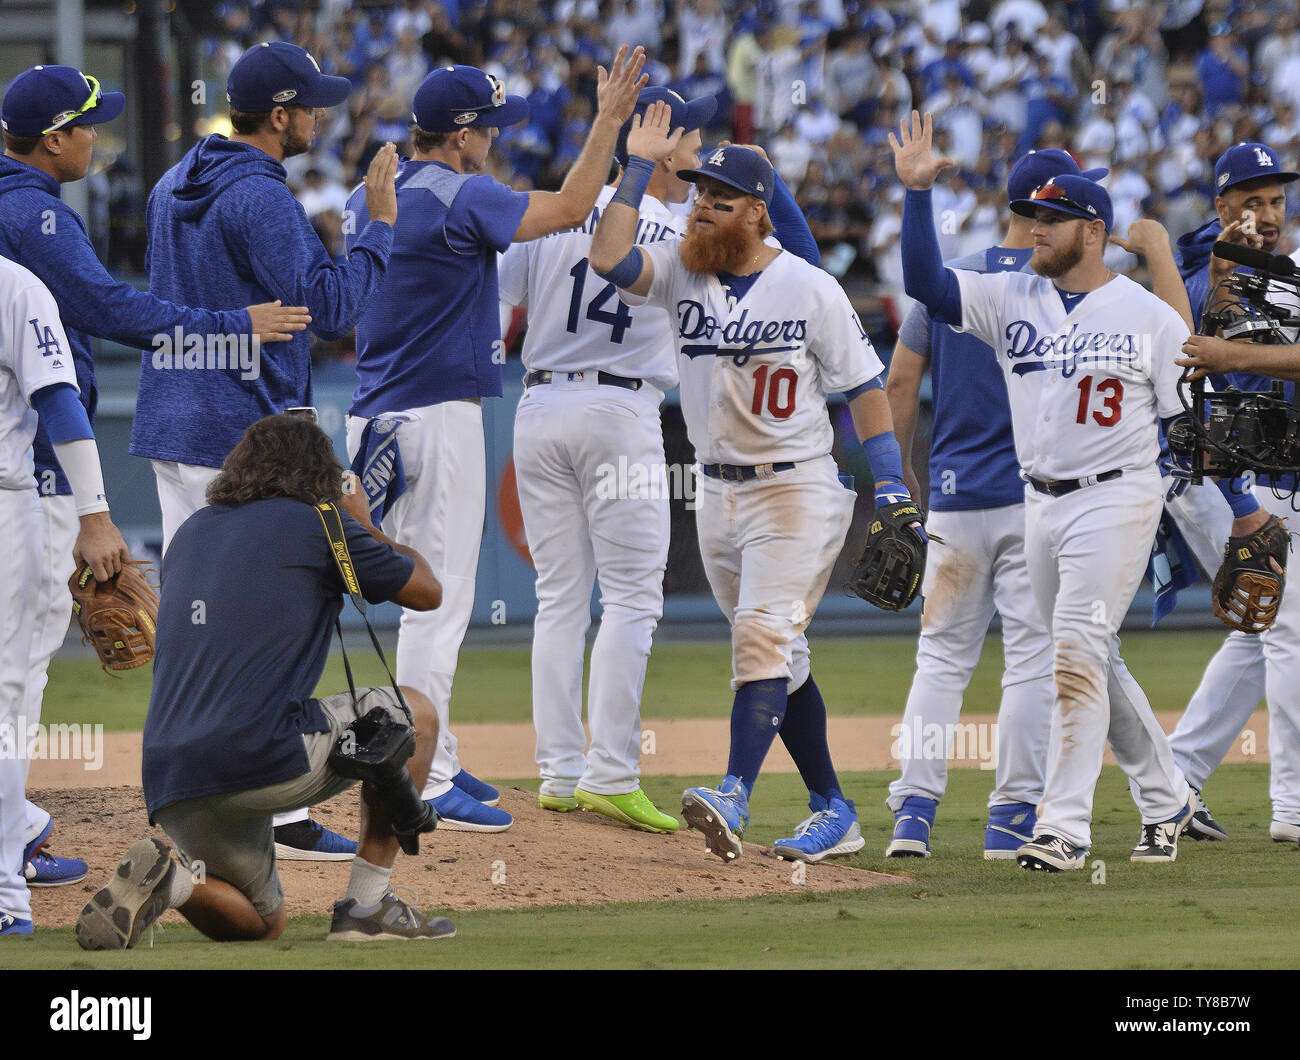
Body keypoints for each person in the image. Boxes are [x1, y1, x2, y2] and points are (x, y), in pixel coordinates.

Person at [890, 110, 1263, 870]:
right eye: (1034, 218)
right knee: (1092, 656)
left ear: (1091, 231)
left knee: (1073, 653)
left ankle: (1064, 826)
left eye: (1052, 221)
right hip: (1039, 501)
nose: (1035, 231)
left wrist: (1244, 511)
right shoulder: (1010, 297)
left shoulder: (1146, 314)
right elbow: (925, 283)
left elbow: (1189, 422)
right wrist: (918, 195)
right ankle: (1165, 799)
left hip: (1119, 495)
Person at [0, 64, 307, 886]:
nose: (96, 138)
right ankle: (6, 852)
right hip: (22, 464)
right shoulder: (28, 212)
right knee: (19, 668)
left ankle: (18, 823)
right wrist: (231, 324)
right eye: (88, 125)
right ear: (55, 137)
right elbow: (113, 312)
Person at [591, 117, 915, 863]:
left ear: (758, 211)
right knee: (781, 656)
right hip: (717, 491)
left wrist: (892, 486)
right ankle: (834, 808)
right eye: (701, 190)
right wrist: (638, 169)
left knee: (760, 634)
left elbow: (865, 391)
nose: (704, 204)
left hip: (796, 487)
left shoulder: (810, 287)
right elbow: (608, 254)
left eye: (724, 196)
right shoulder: (680, 268)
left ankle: (734, 791)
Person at [341, 49, 649, 832]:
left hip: (374, 409)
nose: (496, 141)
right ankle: (425, 772)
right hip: (434, 410)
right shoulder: (461, 192)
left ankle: (433, 754)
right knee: (437, 602)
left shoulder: (366, 191)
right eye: (490, 127)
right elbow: (576, 205)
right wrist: (610, 120)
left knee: (415, 595)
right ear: (462, 133)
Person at [128, 41, 400, 859]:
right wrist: (378, 228)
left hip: (171, 423)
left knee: (195, 620)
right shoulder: (259, 194)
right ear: (279, 115)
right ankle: (273, 808)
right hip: (244, 436)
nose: (320, 113)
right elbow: (332, 306)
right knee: (271, 620)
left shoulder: (173, 181)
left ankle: (189, 789)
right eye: (310, 102)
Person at [75, 414, 448, 948]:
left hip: (171, 777)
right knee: (416, 712)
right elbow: (428, 592)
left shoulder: (190, 532)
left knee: (261, 923)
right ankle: (368, 905)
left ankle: (173, 881)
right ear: (320, 475)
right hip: (260, 754)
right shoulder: (321, 522)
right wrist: (363, 524)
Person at [497, 86, 715, 831]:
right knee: (631, 598)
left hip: (539, 400)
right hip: (620, 410)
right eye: (690, 138)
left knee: (560, 597)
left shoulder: (558, 208)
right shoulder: (688, 230)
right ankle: (612, 771)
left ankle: (559, 771)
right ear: (660, 138)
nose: (698, 154)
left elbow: (500, 309)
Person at [883, 150, 1107, 860]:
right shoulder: (1062, 289)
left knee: (940, 661)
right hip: (1034, 500)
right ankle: (1010, 816)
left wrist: (899, 476)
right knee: (1032, 661)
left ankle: (913, 815)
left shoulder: (956, 280)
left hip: (954, 496)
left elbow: (899, 380)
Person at [1151, 142, 1300, 845]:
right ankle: (1293, 805)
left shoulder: (1288, 273)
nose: (1267, 215)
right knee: (1287, 627)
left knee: (1260, 627)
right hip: (1218, 477)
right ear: (1221, 208)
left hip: (1262, 470)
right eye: (1251, 202)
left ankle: (1175, 780)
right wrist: (1219, 273)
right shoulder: (1198, 271)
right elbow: (1183, 342)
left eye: (1275, 201)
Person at [1, 258, 130, 936]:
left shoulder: (15, 286)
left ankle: (4, 894)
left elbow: (58, 396)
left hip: (4, 504)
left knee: (4, 693)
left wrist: (95, 513)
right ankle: (20, 832)